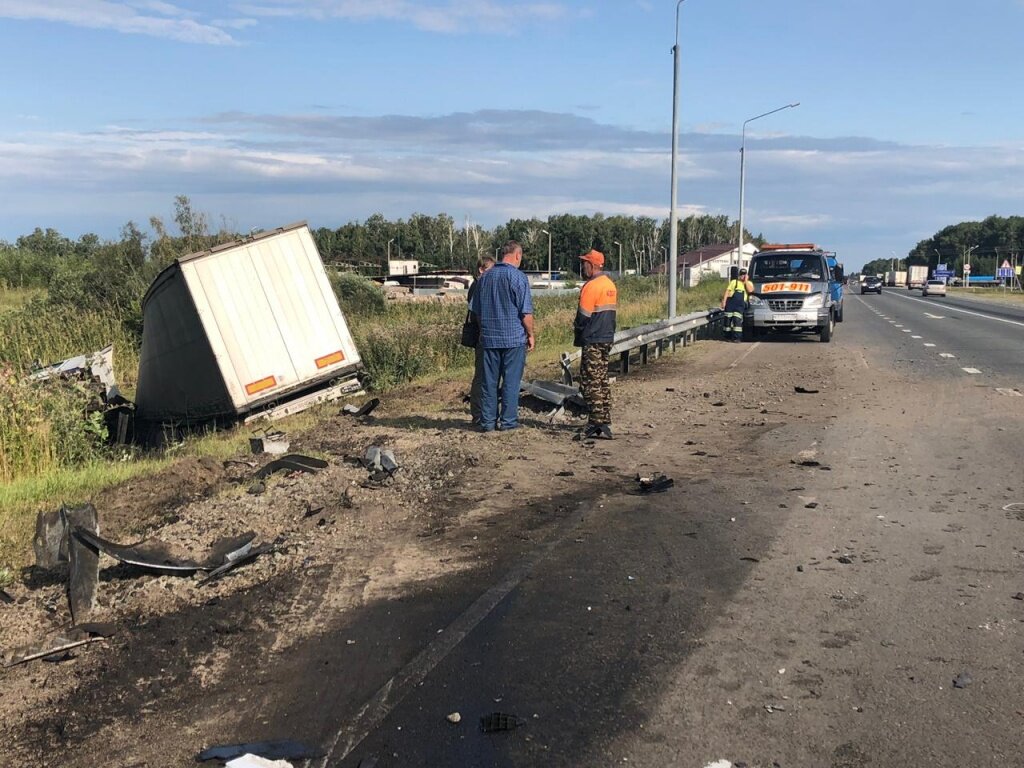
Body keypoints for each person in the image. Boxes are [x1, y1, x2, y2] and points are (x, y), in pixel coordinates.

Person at [469, 241, 535, 432]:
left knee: (488, 383)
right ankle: (508, 422)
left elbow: (477, 311)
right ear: (517, 256)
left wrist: (484, 330)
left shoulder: (485, 278)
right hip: (514, 339)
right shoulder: (518, 277)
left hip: (489, 339)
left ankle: (488, 422)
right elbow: (526, 313)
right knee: (511, 382)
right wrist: (530, 334)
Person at [574, 249, 617, 440]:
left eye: (585, 263)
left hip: (592, 338)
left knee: (590, 381)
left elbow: (583, 316)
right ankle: (604, 417)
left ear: (592, 265)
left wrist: (578, 331)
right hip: (606, 337)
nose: (583, 266)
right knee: (601, 379)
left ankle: (596, 421)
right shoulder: (609, 285)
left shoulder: (591, 286)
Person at [466, 255, 495, 426]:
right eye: (490, 269)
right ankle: (477, 412)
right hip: (481, 337)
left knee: (485, 374)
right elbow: (477, 313)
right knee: (481, 375)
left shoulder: (479, 285)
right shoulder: (477, 286)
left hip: (483, 336)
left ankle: (482, 410)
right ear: (481, 269)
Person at [720, 266, 753, 342]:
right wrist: (724, 302)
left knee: (737, 320)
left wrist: (746, 281)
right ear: (739, 275)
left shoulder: (749, 283)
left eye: (744, 274)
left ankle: (737, 338)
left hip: (740, 305)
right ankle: (727, 336)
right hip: (730, 304)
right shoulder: (734, 282)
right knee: (727, 320)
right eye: (741, 274)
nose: (743, 276)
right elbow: (727, 292)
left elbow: (750, 290)